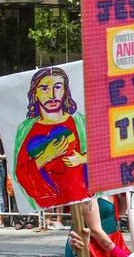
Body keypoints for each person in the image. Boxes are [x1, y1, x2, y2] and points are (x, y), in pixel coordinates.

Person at [13, 66, 89, 209]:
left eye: (58, 87)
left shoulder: (81, 122)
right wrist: (46, 156)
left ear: (65, 91)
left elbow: (105, 156)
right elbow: (20, 173)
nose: (52, 94)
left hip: (83, 199)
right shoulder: (25, 129)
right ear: (35, 93)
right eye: (44, 88)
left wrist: (82, 158)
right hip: (48, 205)